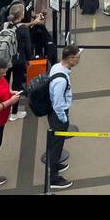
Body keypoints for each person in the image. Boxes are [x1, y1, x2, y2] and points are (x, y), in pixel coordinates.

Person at [45, 46, 80, 190]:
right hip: (58, 115)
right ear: (70, 58)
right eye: (77, 57)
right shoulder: (61, 80)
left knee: (56, 143)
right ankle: (54, 178)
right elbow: (58, 103)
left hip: (55, 114)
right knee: (56, 145)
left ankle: (55, 164)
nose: (79, 59)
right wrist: (63, 119)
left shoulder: (56, 67)